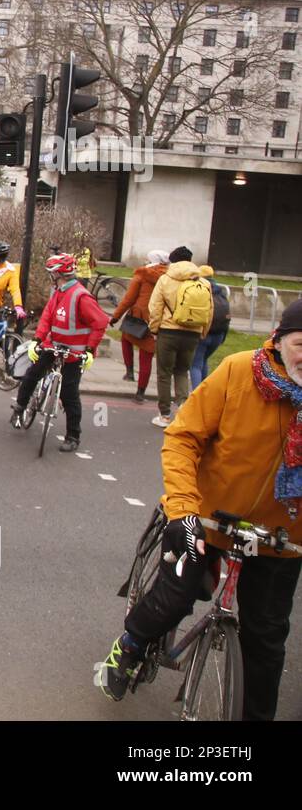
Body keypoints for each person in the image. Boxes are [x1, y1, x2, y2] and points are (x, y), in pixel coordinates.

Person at [95, 300, 302, 720]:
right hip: (207, 516)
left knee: (266, 639)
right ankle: (129, 648)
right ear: (279, 341)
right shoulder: (239, 371)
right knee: (175, 594)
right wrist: (183, 511)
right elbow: (184, 438)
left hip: (281, 537)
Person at [10, 254, 109, 453]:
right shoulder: (59, 291)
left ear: (58, 274)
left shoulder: (81, 296)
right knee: (32, 374)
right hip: (53, 345)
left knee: (69, 393)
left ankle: (73, 436)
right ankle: (19, 409)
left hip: (74, 353)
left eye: (51, 273)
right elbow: (47, 316)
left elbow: (100, 323)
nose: (50, 276)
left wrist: (89, 351)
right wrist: (37, 340)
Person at [147, 246, 212, 429]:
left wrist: (154, 330)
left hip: (168, 332)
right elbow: (210, 310)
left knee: (164, 373)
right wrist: (202, 331)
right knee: (183, 370)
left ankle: (165, 415)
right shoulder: (203, 282)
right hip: (193, 332)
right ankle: (184, 408)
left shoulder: (165, 279)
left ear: (172, 261)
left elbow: (155, 308)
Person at [109, 250, 168, 403]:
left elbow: (128, 299)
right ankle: (140, 393)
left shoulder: (142, 275)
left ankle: (129, 372)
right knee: (146, 356)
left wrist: (116, 316)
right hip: (156, 320)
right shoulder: (168, 277)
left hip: (137, 317)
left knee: (125, 339)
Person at [190, 266, 231, 390]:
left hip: (203, 334)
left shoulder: (199, 290)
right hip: (218, 335)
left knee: (195, 365)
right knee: (204, 360)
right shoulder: (221, 293)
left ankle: (197, 395)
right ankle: (205, 391)